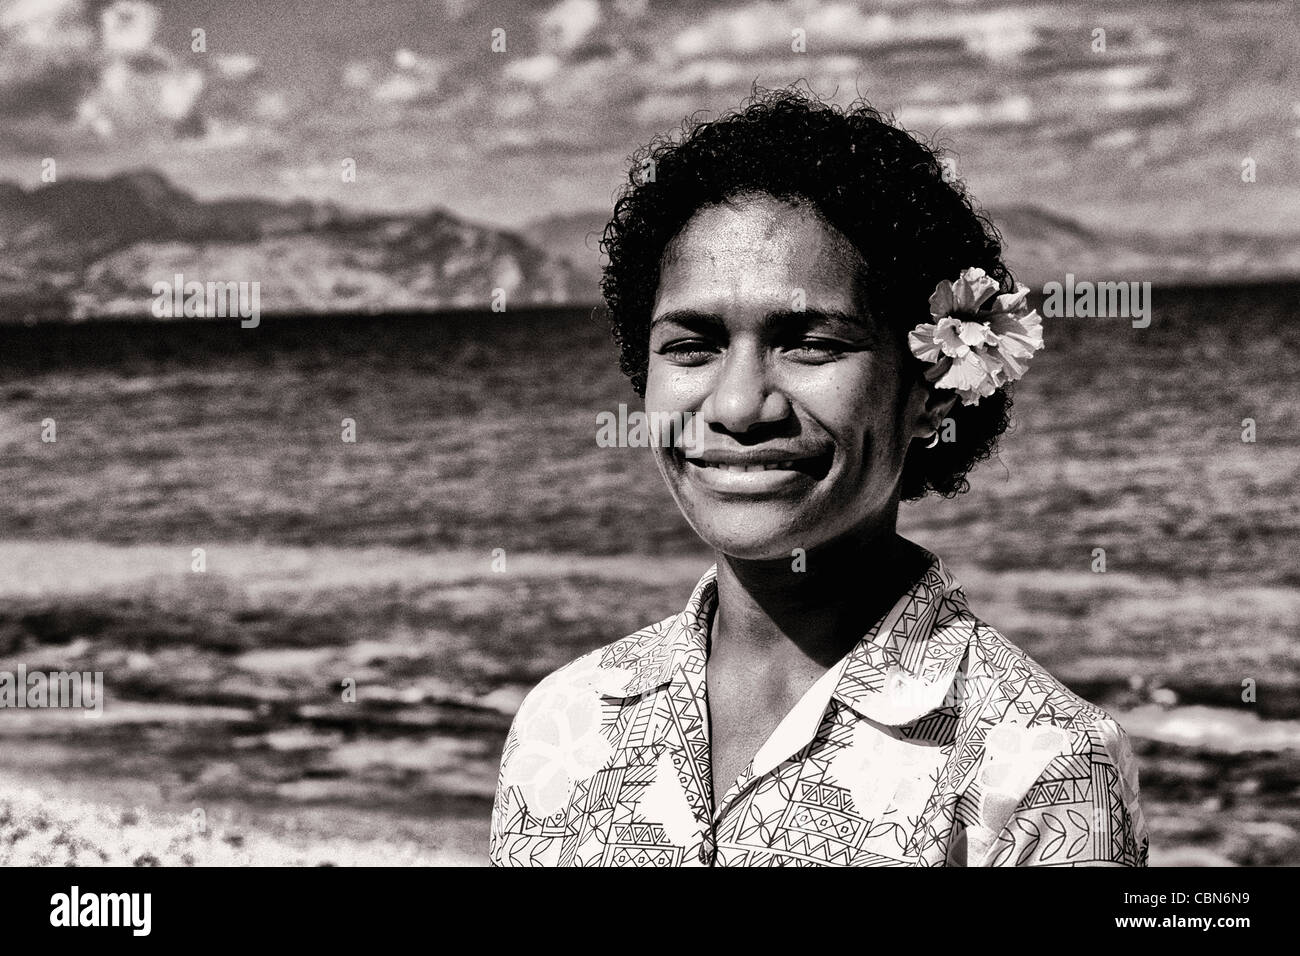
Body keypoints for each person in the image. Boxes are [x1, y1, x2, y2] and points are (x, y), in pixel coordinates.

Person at [489, 87, 1148, 867]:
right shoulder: (567, 721)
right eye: (692, 346)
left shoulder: (1039, 764)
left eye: (811, 343)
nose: (738, 405)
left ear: (930, 388)